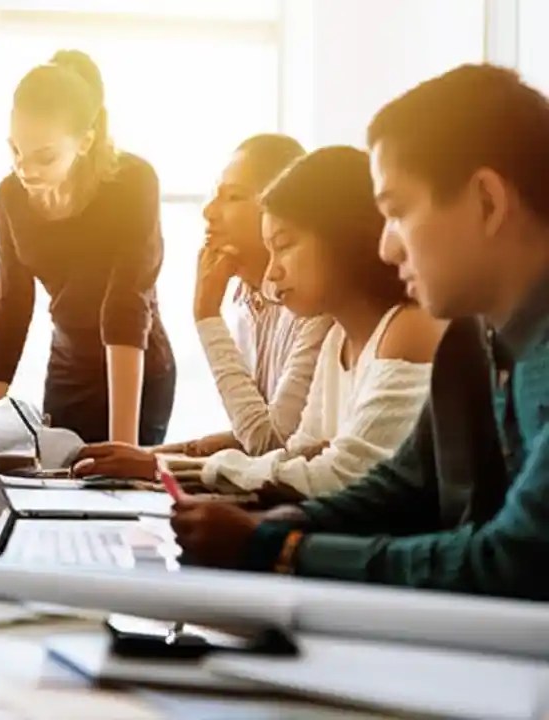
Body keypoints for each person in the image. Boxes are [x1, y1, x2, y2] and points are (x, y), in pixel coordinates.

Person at [173, 64, 549, 600]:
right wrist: (276, 525)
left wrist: (284, 550)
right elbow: (405, 484)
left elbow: (514, 559)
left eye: (397, 213)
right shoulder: (474, 338)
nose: (386, 248)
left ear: (487, 202)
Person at [79, 146, 444, 499]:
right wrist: (167, 464)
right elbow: (296, 456)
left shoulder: (406, 330)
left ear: (343, 236)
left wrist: (167, 467)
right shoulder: (337, 341)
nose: (273, 272)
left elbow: (330, 475)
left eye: (284, 246)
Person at [0, 50, 175, 446]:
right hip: (68, 367)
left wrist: (122, 448)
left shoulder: (132, 182)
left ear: (85, 140)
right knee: (58, 472)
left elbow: (127, 303)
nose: (25, 169)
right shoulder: (10, 195)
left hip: (135, 368)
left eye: (44, 156)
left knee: (117, 475)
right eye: (15, 150)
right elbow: (10, 303)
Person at [157, 135, 331, 457]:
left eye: (233, 197)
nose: (208, 211)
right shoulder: (246, 300)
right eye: (215, 195)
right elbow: (252, 430)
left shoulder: (315, 308)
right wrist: (153, 456)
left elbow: (268, 443)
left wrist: (207, 316)